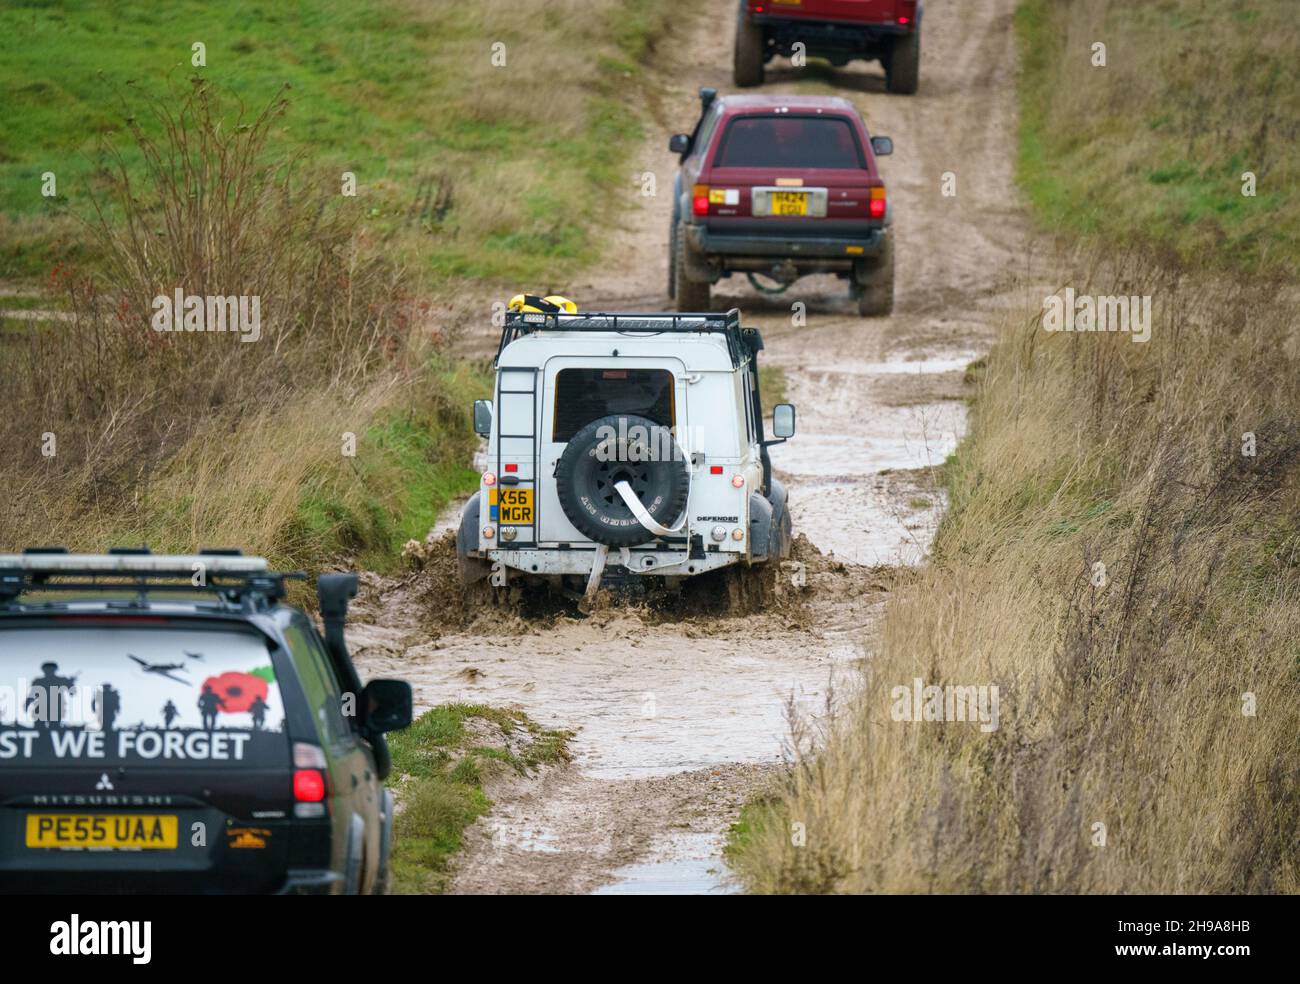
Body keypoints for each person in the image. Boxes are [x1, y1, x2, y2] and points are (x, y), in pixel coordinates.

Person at [25, 662, 77, 727]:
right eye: (47, 669)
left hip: (56, 710)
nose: (49, 671)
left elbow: (72, 693)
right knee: (41, 728)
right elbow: (32, 696)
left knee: (53, 728)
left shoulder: (61, 680)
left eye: (50, 669)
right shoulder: (39, 681)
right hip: (41, 710)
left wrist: (70, 683)